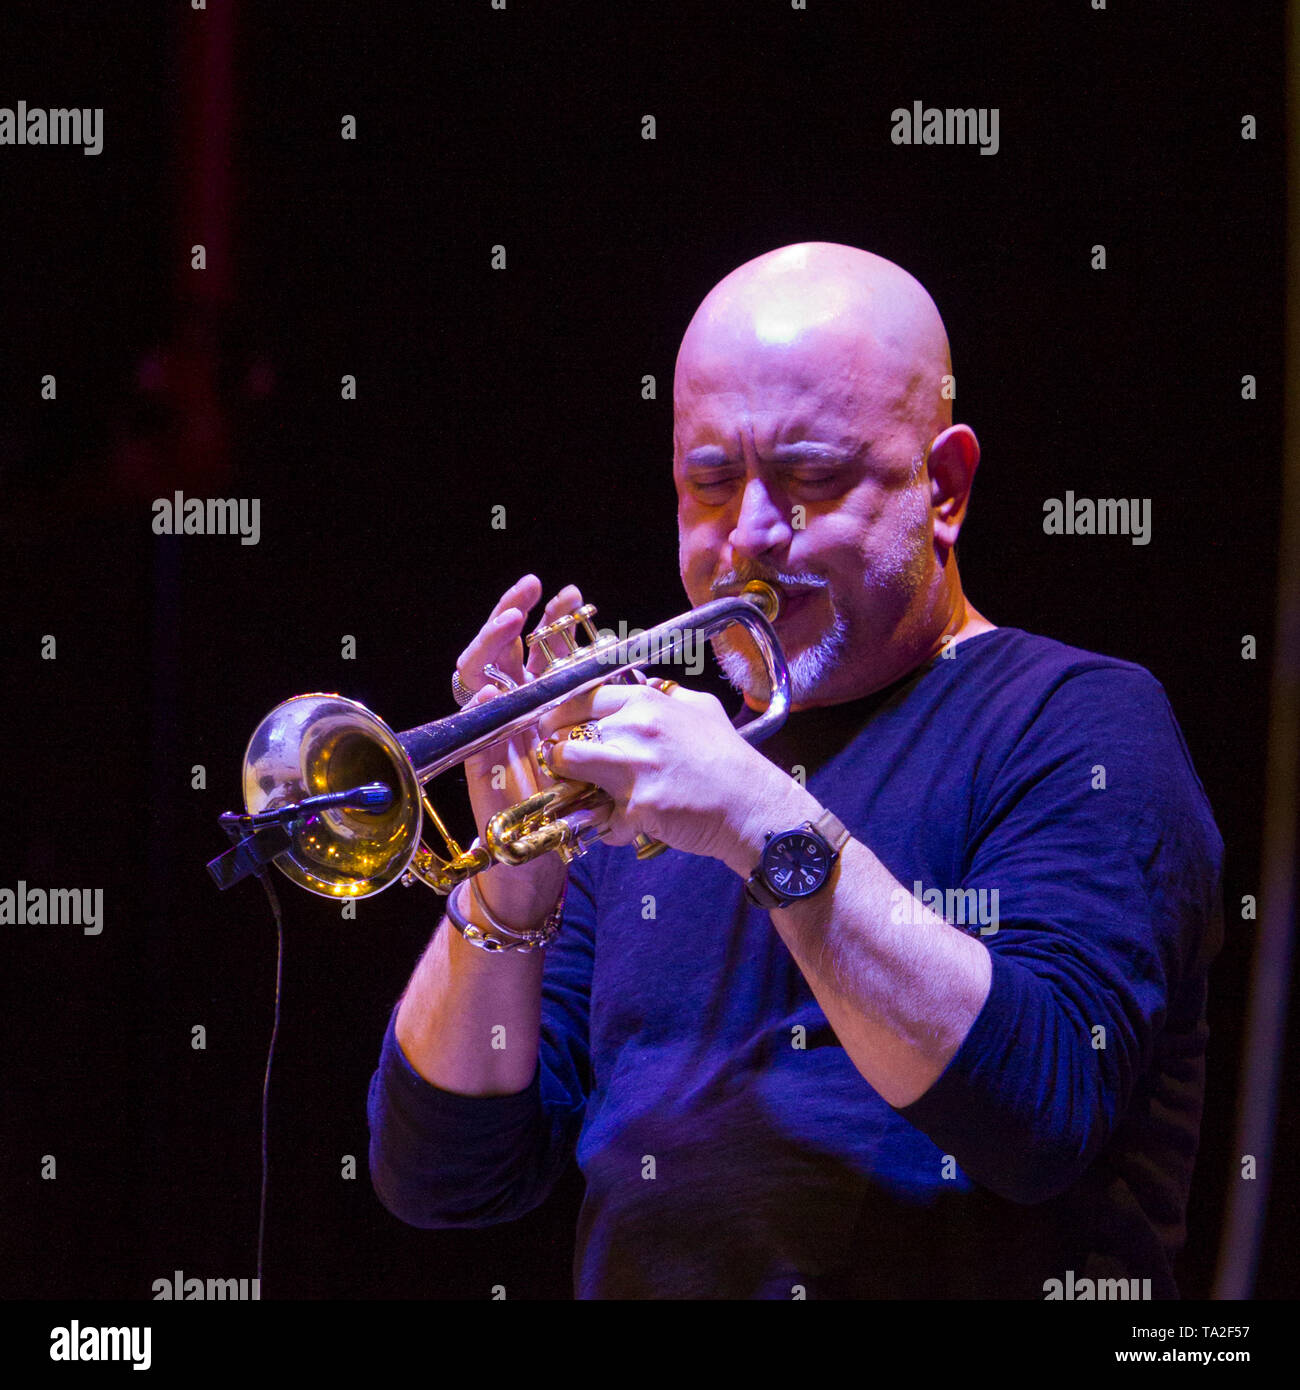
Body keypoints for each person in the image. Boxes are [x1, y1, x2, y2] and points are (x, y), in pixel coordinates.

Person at [367, 242, 1224, 1299]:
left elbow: (1037, 1109)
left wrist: (756, 816)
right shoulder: (657, 776)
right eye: (710, 481)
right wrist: (506, 883)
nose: (751, 538)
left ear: (944, 485)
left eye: (811, 477)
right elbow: (445, 1174)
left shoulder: (1076, 720)